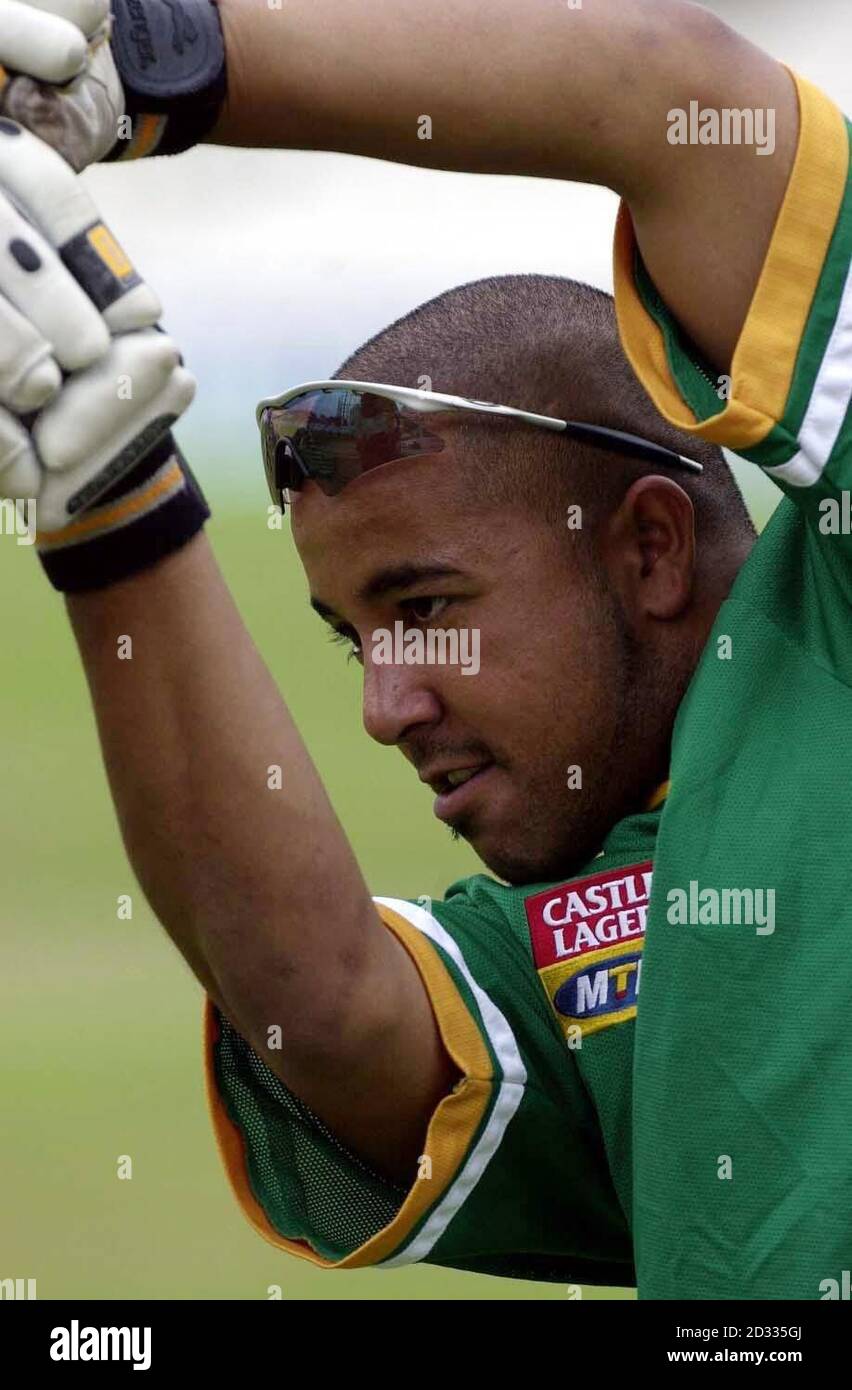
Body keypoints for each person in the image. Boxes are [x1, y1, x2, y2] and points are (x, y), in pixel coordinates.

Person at [1, 0, 849, 1298]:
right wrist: (111, 505)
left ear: (653, 548)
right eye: (354, 644)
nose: (384, 709)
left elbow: (679, 103)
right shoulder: (581, 942)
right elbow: (324, 1015)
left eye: (429, 605)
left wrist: (158, 54)